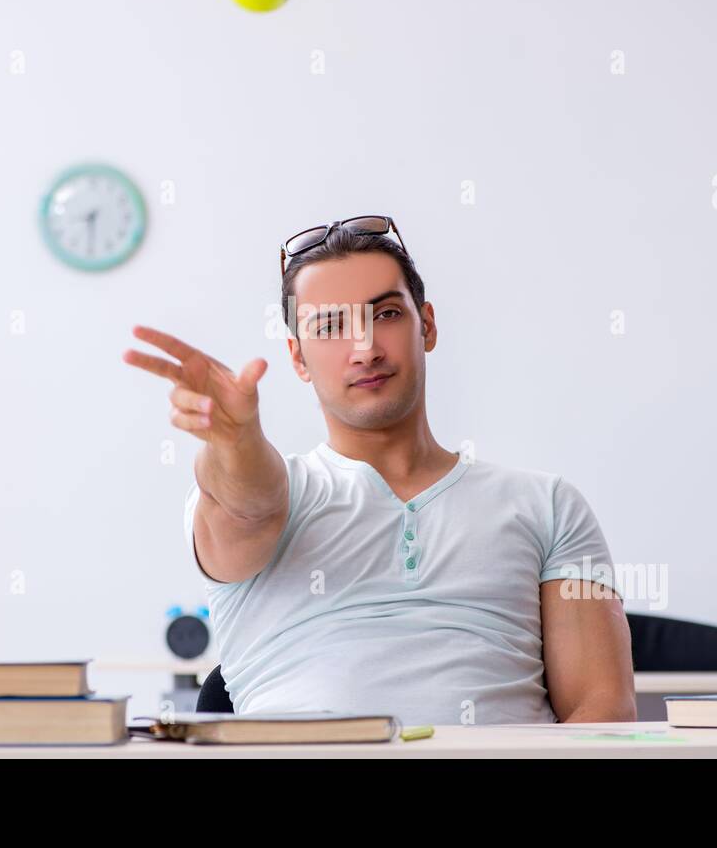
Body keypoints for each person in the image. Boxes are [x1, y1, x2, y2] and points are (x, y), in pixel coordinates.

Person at [122, 217, 635, 725]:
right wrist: (235, 441)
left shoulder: (548, 504)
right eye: (329, 327)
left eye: (386, 314)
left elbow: (603, 709)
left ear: (427, 325)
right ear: (297, 358)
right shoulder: (277, 488)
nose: (365, 349)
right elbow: (247, 504)